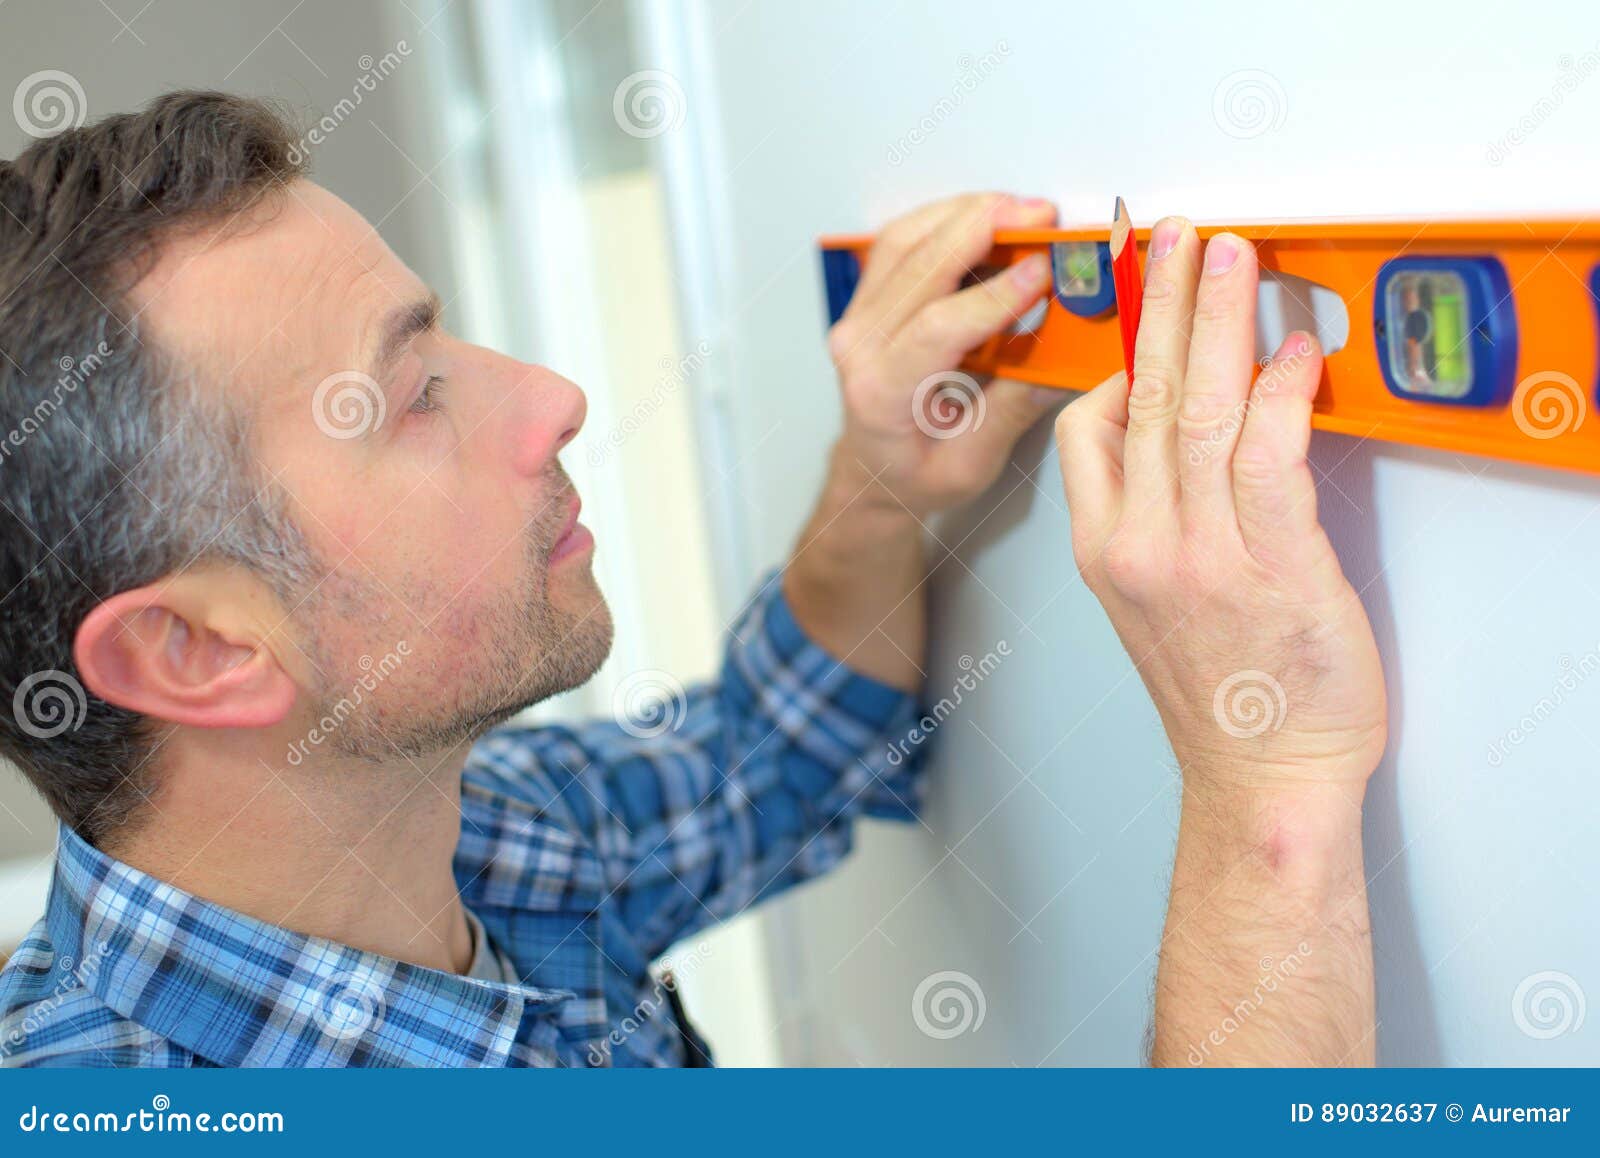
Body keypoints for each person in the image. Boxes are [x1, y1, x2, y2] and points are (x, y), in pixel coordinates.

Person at [0, 92, 1381, 1067]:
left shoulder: (457, 833)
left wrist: (881, 486)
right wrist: (1272, 781)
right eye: (413, 393)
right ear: (195, 650)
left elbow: (766, 759)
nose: (552, 398)